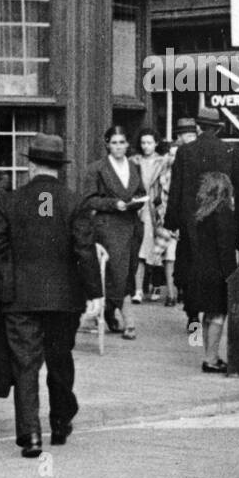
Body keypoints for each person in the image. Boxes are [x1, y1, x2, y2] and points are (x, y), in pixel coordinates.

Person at [0, 134, 103, 458]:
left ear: (31, 165)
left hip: (20, 297)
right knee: (60, 359)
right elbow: (85, 251)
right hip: (64, 298)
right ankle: (60, 424)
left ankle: (31, 435)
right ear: (59, 168)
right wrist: (95, 293)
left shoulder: (8, 201)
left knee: (25, 364)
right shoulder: (76, 202)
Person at [163, 106, 239, 334]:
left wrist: (172, 223)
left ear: (198, 127)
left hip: (191, 223)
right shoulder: (231, 151)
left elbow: (175, 190)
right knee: (216, 272)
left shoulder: (185, 152)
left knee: (191, 270)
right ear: (218, 128)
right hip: (221, 222)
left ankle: (193, 318)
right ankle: (212, 315)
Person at [84, 125, 146, 339]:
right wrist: (113, 204)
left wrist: (137, 202)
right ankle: (128, 321)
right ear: (107, 145)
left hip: (132, 225)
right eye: (114, 143)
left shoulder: (133, 166)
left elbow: (140, 192)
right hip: (109, 226)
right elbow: (90, 199)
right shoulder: (97, 168)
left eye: (122, 142)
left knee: (128, 270)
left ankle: (110, 311)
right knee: (117, 272)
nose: (118, 147)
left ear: (128, 144)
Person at [189, 171, 239, 372]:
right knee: (219, 315)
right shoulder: (224, 212)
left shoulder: (203, 212)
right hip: (218, 271)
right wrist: (232, 275)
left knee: (209, 314)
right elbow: (225, 248)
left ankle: (208, 355)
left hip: (202, 269)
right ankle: (211, 358)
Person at [132, 128, 166, 302]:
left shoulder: (163, 162)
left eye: (149, 143)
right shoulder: (134, 161)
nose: (146, 146)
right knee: (141, 250)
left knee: (158, 248)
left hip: (158, 208)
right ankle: (138, 289)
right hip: (141, 208)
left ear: (156, 143)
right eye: (143, 143)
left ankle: (156, 286)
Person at [152, 140, 180, 306]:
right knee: (169, 258)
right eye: (171, 154)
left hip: (182, 223)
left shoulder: (186, 175)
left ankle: (179, 291)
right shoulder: (162, 174)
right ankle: (171, 294)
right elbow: (157, 199)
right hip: (166, 220)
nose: (172, 158)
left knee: (178, 259)